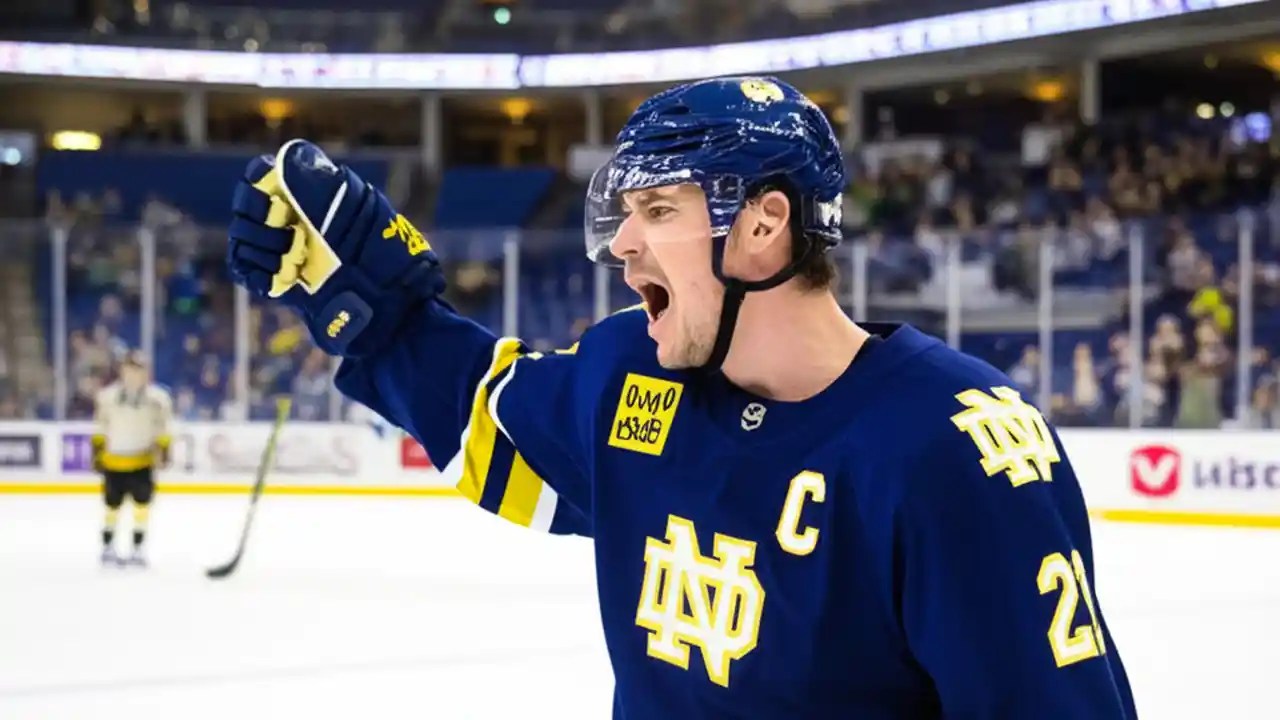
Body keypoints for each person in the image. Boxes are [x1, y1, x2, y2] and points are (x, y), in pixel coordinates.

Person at [226, 77, 1137, 718]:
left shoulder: (955, 447)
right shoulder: (633, 376)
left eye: (657, 210)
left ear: (763, 227)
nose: (624, 247)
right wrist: (369, 306)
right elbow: (488, 423)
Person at [93, 351, 173, 567]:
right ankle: (108, 546)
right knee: (112, 505)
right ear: (122, 370)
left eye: (139, 369)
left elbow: (163, 427)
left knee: (142, 505)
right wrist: (97, 451)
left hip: (142, 460)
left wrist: (164, 450)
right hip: (114, 460)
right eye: (130, 369)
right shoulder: (108, 397)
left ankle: (138, 548)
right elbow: (101, 425)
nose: (134, 374)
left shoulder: (158, 399)